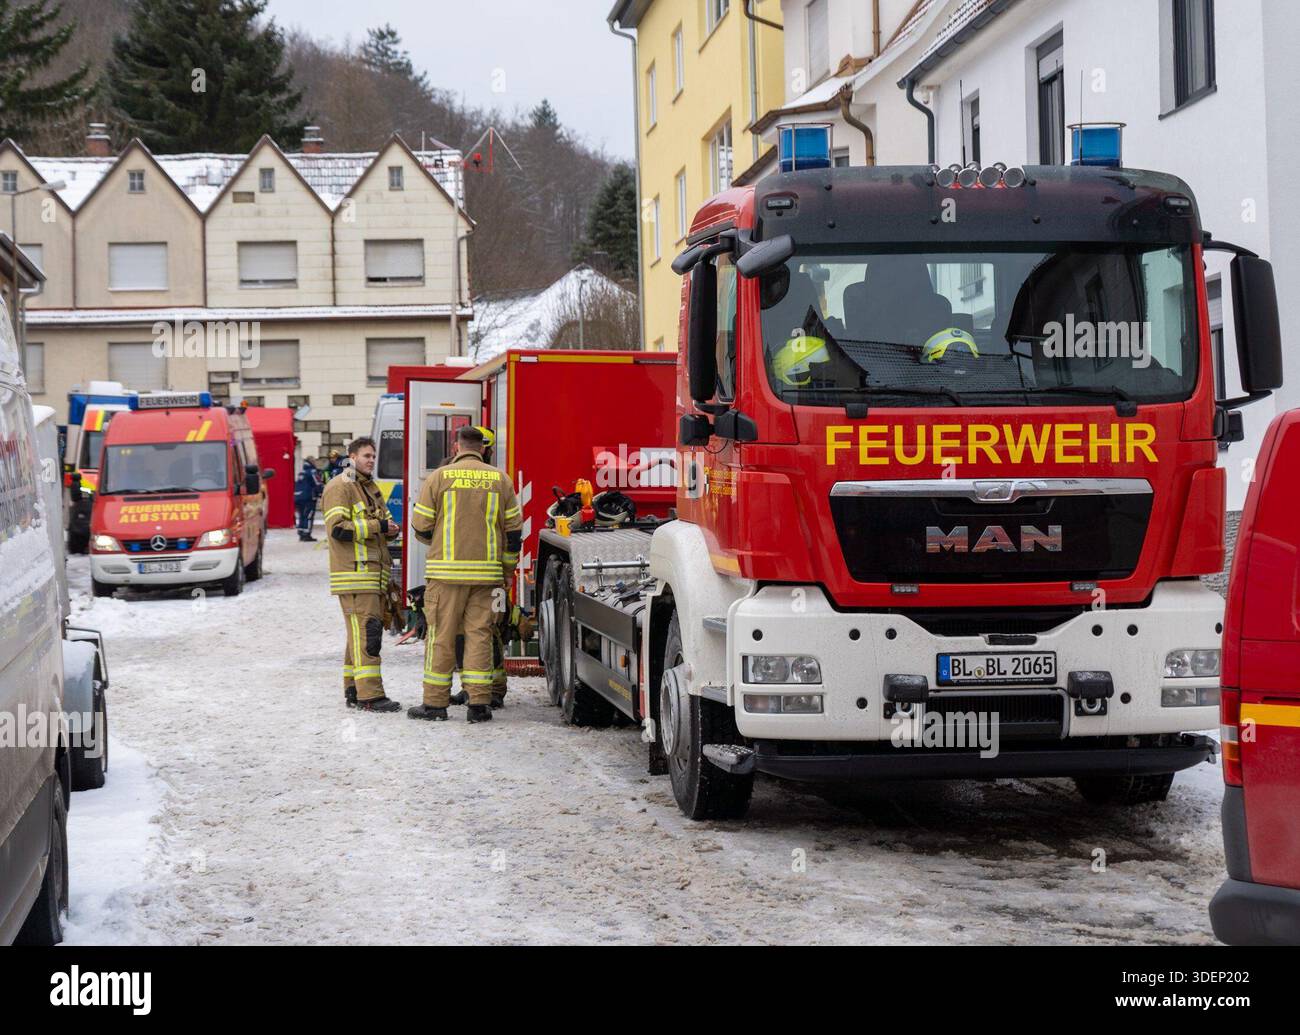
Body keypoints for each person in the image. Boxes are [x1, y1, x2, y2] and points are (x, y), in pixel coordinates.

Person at [408, 425, 522, 724]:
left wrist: (439, 539)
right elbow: (513, 534)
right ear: (482, 448)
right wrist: (507, 571)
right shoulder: (501, 480)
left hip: (445, 575)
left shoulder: (439, 477)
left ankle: (434, 705)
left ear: (456, 446)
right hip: (487, 576)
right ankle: (479, 704)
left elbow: (420, 525)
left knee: (441, 636)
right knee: (480, 636)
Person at [322, 438, 401, 714]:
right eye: (366, 455)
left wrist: (391, 528)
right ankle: (371, 696)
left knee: (358, 635)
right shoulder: (340, 486)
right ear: (351, 456)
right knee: (368, 635)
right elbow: (338, 529)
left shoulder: (368, 487)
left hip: (370, 575)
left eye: (373, 456)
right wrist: (377, 525)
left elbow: (381, 522)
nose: (371, 460)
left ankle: (354, 689)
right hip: (355, 575)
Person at [294, 460, 322, 542]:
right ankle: (307, 534)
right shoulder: (312, 472)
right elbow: (317, 483)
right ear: (312, 462)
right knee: (308, 515)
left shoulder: (301, 472)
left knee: (301, 515)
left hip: (298, 496)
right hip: (308, 497)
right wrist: (321, 492)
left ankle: (301, 532)